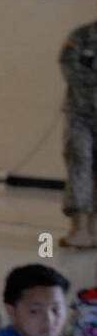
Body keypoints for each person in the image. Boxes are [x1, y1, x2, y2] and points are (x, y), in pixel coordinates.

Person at [59, 18, 97, 247]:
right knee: (79, 163)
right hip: (80, 114)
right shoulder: (83, 35)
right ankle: (80, 228)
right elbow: (70, 68)